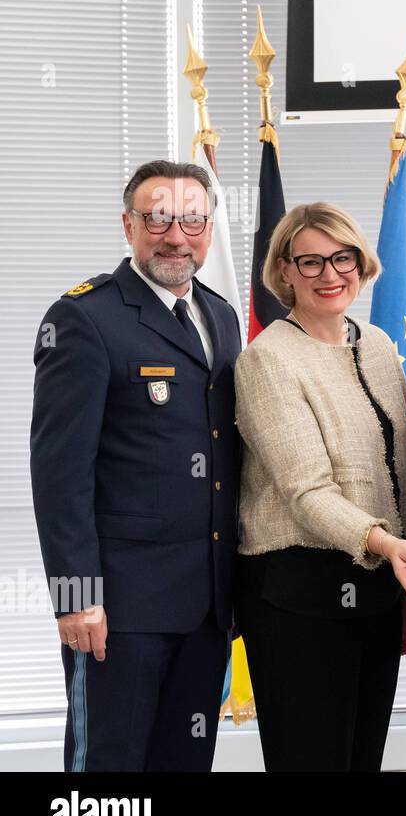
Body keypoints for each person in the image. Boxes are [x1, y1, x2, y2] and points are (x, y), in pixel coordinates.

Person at [31, 159, 241, 771]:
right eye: (158, 219)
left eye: (193, 220)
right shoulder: (85, 318)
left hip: (205, 605)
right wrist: (75, 597)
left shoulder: (221, 316)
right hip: (117, 612)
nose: (177, 235)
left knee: (184, 763)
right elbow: (58, 474)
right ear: (129, 226)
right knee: (109, 776)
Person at [233, 202, 406, 772]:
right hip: (299, 594)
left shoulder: (380, 345)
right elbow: (305, 491)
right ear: (284, 271)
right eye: (310, 261)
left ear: (361, 262)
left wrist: (405, 587)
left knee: (361, 759)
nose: (329, 274)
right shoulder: (266, 359)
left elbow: (402, 471)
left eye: (342, 257)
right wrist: (388, 546)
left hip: (378, 590)